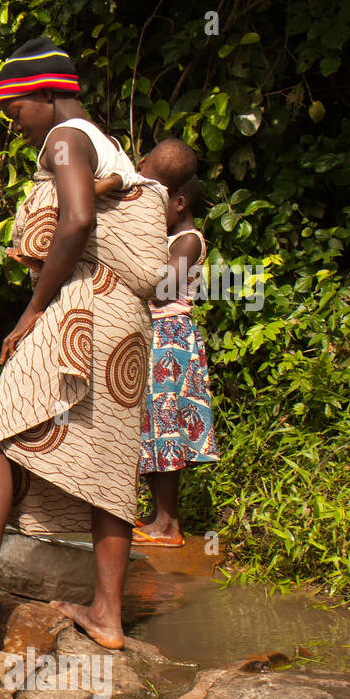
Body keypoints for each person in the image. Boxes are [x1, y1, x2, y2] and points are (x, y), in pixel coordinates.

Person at [0, 37, 169, 650]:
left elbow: (77, 220)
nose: (15, 128)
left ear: (44, 96)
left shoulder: (64, 138)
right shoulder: (106, 143)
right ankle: (107, 614)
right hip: (126, 325)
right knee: (110, 465)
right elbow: (102, 204)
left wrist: (32, 309)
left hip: (83, 309)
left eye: (14, 113)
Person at [131, 145, 219, 545]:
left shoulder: (188, 240)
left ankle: (168, 525)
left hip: (170, 340)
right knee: (153, 426)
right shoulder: (170, 238)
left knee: (166, 425)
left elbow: (160, 288)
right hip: (157, 340)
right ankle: (157, 517)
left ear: (179, 202)